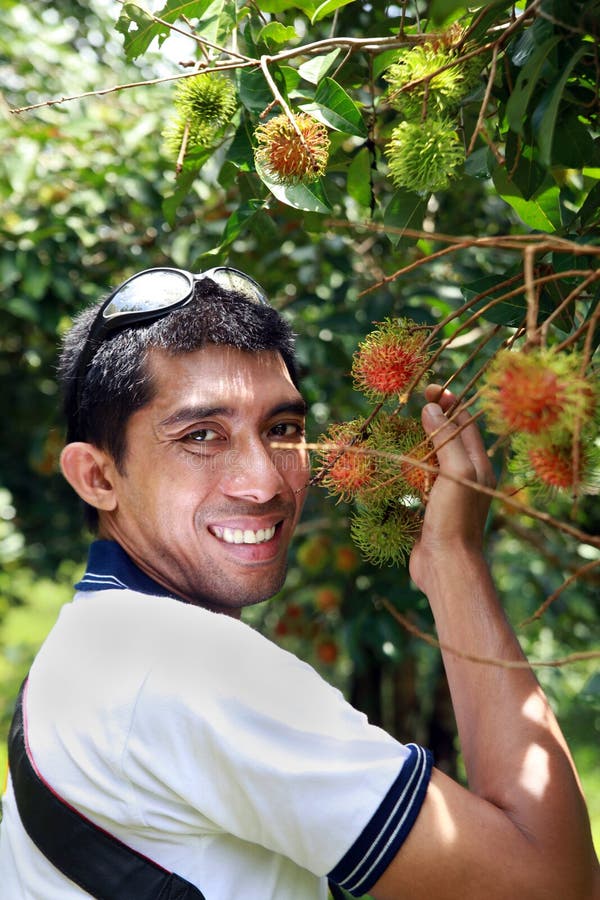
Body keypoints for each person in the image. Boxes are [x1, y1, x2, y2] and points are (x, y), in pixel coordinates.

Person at [0, 265, 598, 900]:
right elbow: (554, 885)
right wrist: (455, 561)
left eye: (282, 430)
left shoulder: (90, 641)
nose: (264, 483)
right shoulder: (190, 664)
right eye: (201, 436)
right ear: (97, 477)